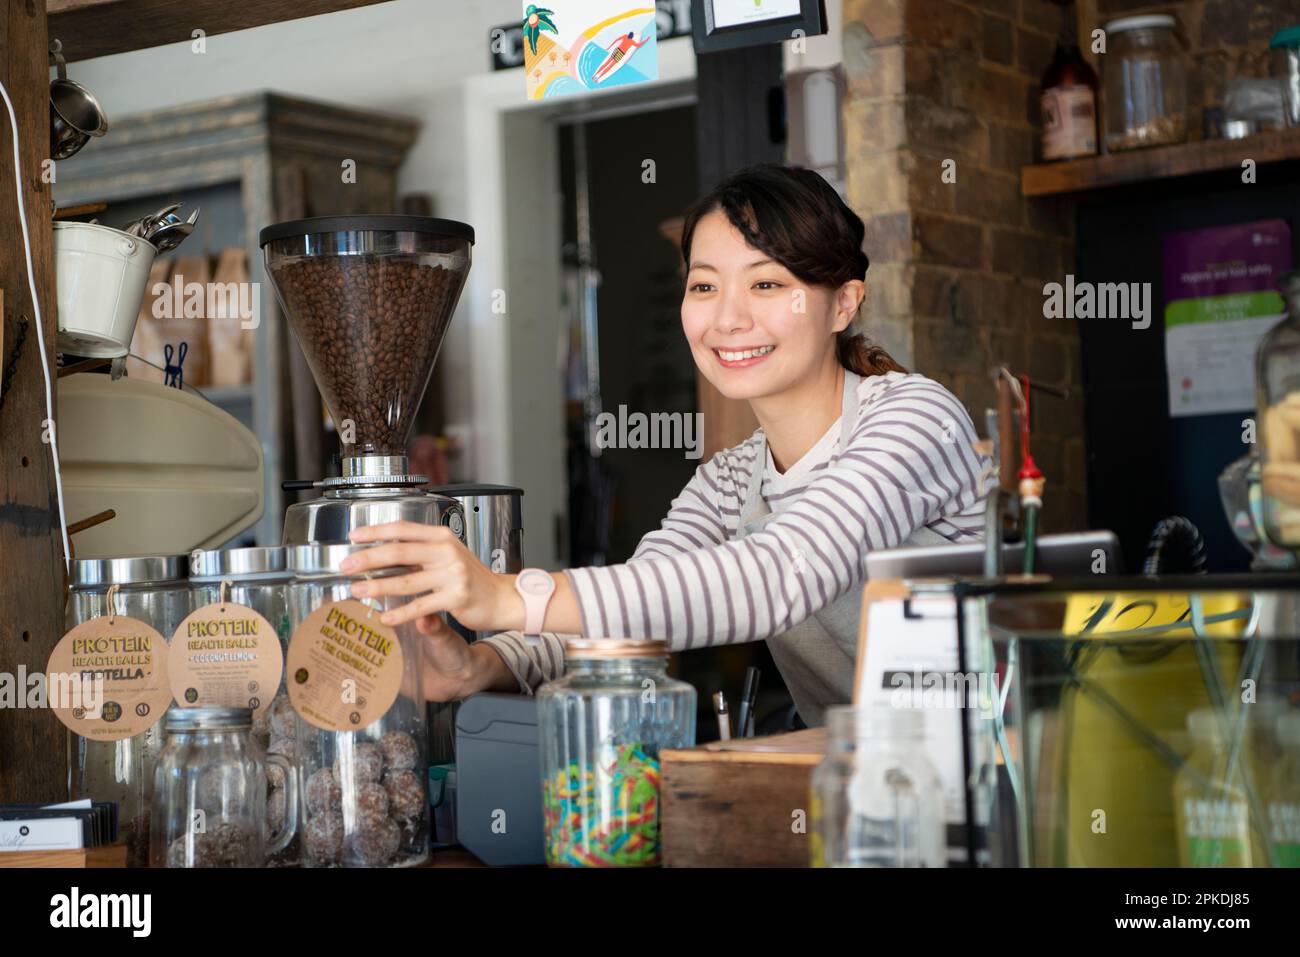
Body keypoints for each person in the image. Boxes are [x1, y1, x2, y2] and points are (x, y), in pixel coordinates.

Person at [340, 164, 994, 726]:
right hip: (864, 787)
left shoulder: (916, 417)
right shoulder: (733, 479)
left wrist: (512, 594)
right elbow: (642, 601)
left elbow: (784, 573)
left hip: (1004, 777)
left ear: (844, 303)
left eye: (766, 284)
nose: (728, 316)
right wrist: (479, 664)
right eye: (704, 285)